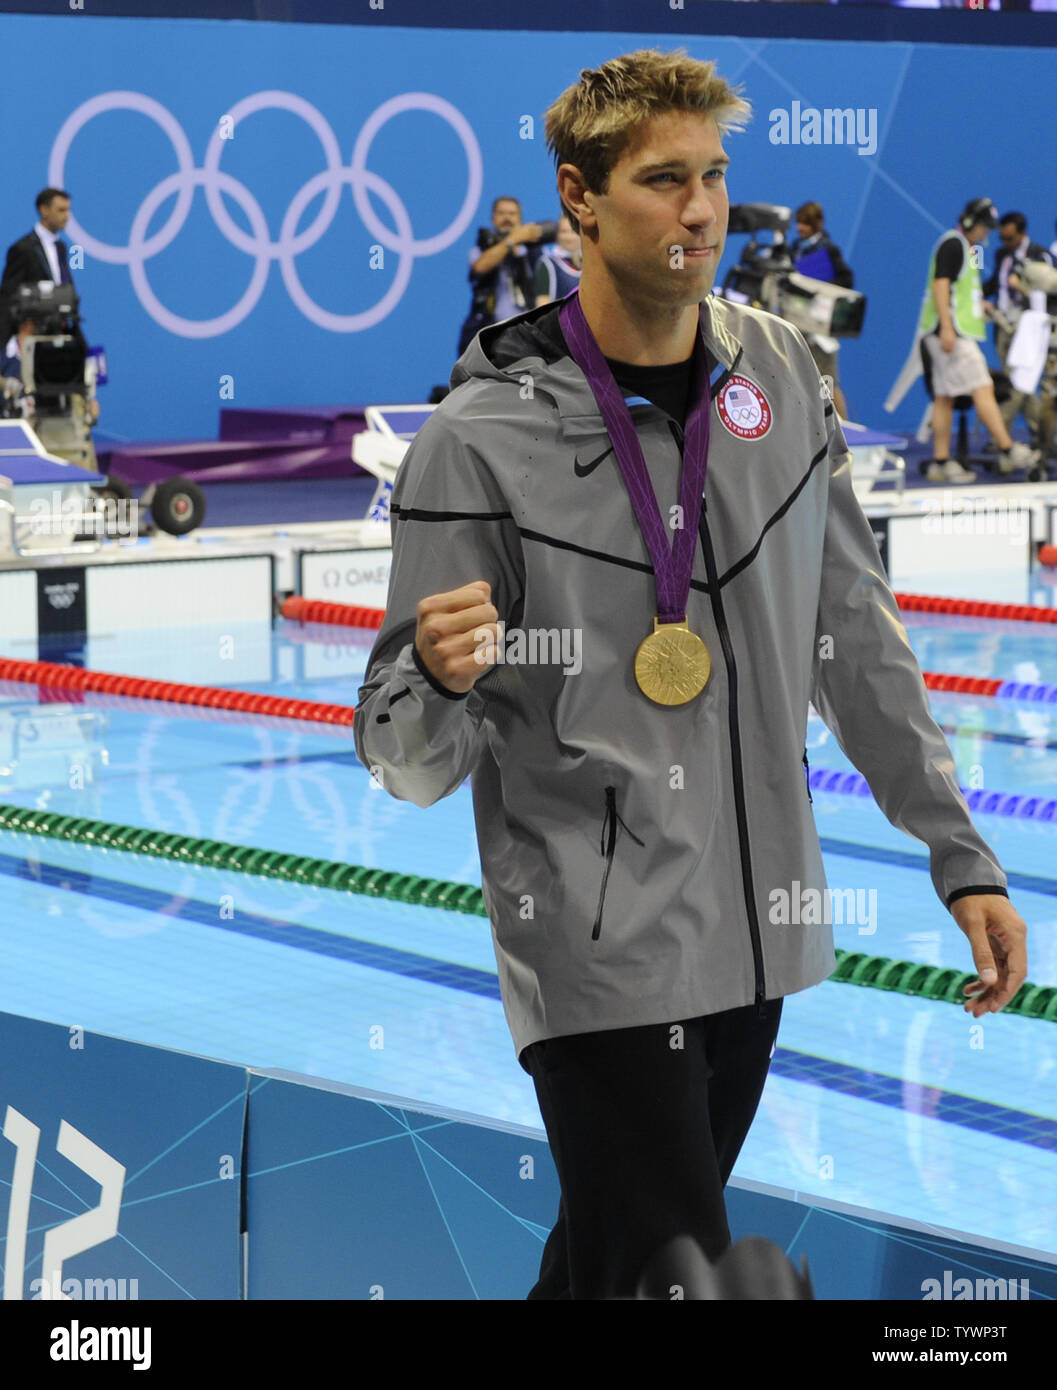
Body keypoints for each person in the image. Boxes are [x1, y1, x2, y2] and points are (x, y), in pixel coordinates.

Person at [355, 49, 1027, 1301]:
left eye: (715, 177)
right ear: (581, 198)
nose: (702, 209)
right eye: (665, 179)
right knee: (686, 1269)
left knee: (614, 1263)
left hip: (757, 936)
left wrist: (959, 852)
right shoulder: (480, 435)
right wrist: (435, 682)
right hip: (596, 944)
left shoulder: (779, 373)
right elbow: (405, 762)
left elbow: (859, 638)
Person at [918, 198, 1039, 482]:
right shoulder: (953, 244)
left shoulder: (966, 248)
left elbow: (963, 289)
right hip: (952, 334)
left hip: (951, 332)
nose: (987, 233)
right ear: (972, 222)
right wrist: (947, 327)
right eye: (984, 226)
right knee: (983, 387)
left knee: (944, 398)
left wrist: (980, 306)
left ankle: (941, 461)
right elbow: (941, 284)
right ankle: (1008, 450)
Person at [983, 212, 1054, 453]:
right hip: (1002, 325)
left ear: (1022, 233)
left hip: (1027, 328)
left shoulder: (1040, 254)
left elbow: (1049, 292)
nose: (1005, 243)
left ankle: (1002, 439)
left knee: (1017, 384)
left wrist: (1021, 286)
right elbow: (994, 281)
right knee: (1017, 384)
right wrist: (976, 295)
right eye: (1001, 237)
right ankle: (1040, 435)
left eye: (1010, 238)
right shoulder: (1000, 253)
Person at [456, 197, 550, 356]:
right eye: (501, 213)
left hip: (526, 337)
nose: (507, 218)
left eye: (512, 214)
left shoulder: (536, 253)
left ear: (520, 219)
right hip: (488, 334)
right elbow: (479, 268)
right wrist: (513, 239)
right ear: (493, 219)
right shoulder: (482, 248)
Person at [789, 201, 853, 418]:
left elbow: (846, 280)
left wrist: (823, 289)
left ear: (818, 223)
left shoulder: (827, 249)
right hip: (798, 322)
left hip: (820, 328)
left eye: (805, 223)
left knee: (828, 382)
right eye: (798, 222)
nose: (800, 227)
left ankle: (846, 432)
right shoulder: (796, 248)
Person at [0, 189, 78, 340]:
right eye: (61, 210)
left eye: (68, 210)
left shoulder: (61, 247)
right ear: (44, 210)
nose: (67, 216)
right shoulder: (23, 249)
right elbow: (7, 297)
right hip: (31, 337)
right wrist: (3, 345)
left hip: (60, 334)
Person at [533, 213, 582, 304]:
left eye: (573, 231)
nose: (569, 237)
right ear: (557, 234)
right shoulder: (548, 264)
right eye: (564, 231)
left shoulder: (589, 265)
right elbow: (542, 304)